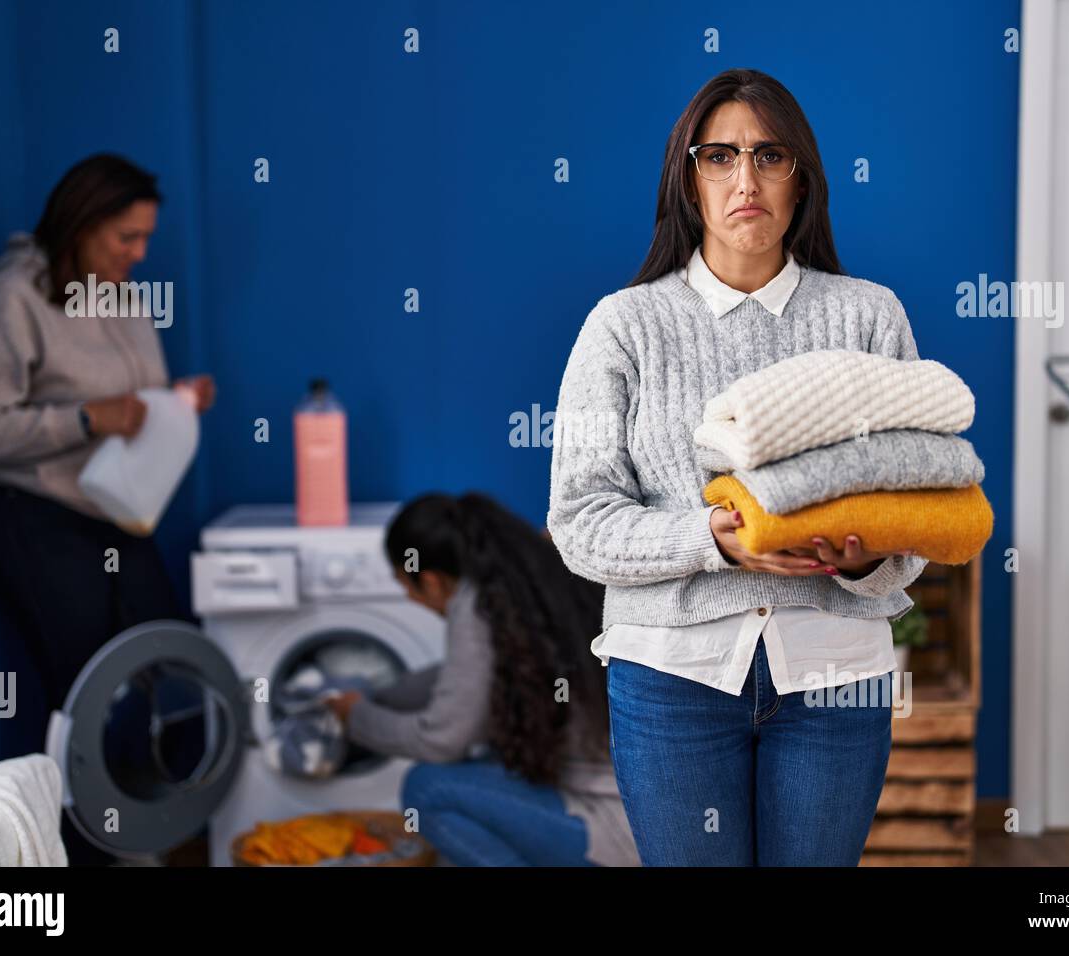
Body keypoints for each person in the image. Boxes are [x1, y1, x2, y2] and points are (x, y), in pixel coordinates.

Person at [546, 68, 931, 866]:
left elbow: (919, 514)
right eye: (718, 157)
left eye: (770, 156)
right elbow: (580, 523)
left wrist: (869, 557)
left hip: (837, 677)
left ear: (803, 180)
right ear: (688, 181)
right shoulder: (623, 326)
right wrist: (716, 541)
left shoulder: (870, 315)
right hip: (670, 678)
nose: (744, 179)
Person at [0, 153, 215, 864]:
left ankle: (158, 834)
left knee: (171, 663)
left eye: (145, 238)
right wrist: (86, 419)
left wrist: (173, 404)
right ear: (81, 223)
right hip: (35, 517)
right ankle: (81, 852)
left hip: (116, 516)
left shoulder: (123, 296)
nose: (139, 253)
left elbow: (135, 401)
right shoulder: (13, 299)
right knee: (86, 690)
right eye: (125, 237)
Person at [325, 492, 640, 867]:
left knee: (427, 788)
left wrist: (355, 716)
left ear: (432, 580)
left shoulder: (474, 609)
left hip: (612, 828)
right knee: (482, 767)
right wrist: (380, 695)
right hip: (634, 813)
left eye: (406, 586)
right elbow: (459, 679)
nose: (409, 599)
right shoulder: (523, 584)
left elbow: (441, 740)